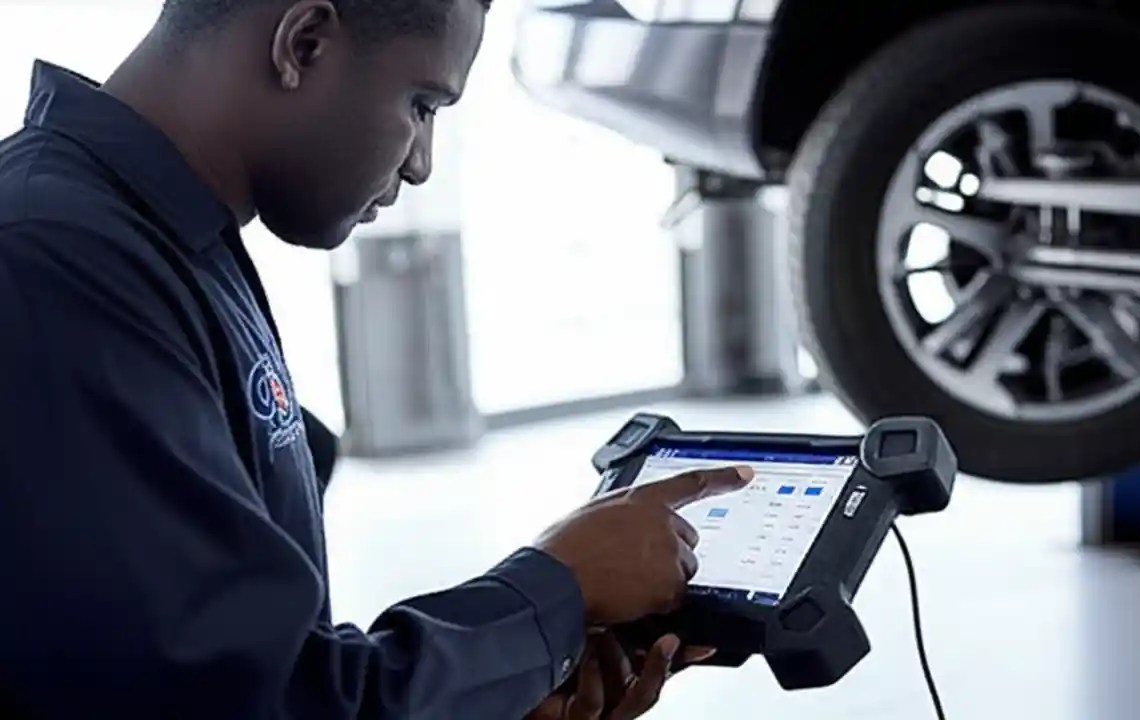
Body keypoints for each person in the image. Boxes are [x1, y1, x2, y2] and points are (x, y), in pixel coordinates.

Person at [0, 0, 755, 717]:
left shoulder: (158, 243)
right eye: (423, 105)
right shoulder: (56, 266)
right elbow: (258, 704)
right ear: (304, 45)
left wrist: (490, 690)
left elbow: (241, 662)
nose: (422, 162)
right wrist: (551, 594)